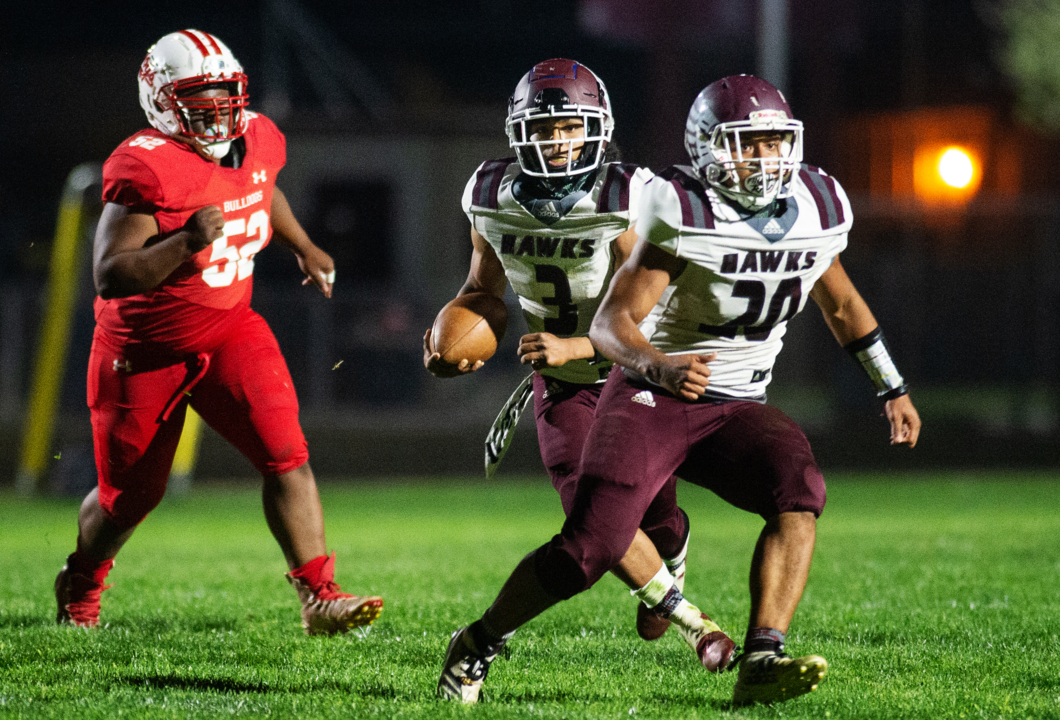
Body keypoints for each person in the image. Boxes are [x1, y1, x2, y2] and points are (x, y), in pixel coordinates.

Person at [436, 74, 922, 706]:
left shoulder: (818, 207)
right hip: (649, 395)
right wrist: (661, 369)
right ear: (708, 150)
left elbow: (843, 303)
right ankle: (477, 642)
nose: (764, 159)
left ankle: (762, 658)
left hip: (735, 403)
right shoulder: (680, 209)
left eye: (774, 143)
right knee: (591, 549)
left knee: (799, 489)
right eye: (747, 145)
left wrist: (892, 386)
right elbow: (612, 321)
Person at [53, 29, 383, 636]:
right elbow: (111, 274)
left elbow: (260, 190)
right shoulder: (143, 164)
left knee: (286, 454)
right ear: (161, 98)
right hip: (143, 353)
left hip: (230, 328)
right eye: (199, 97)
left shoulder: (257, 135)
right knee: (129, 496)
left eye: (223, 94)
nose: (217, 109)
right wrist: (185, 242)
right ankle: (82, 582)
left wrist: (303, 245)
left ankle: (320, 596)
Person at [429, 59, 736, 703]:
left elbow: (641, 308)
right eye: (544, 131)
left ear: (598, 129)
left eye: (571, 128)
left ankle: (670, 562)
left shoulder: (628, 196)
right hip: (566, 387)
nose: (558, 143)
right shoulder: (490, 195)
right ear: (519, 134)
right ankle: (695, 624)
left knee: (662, 520)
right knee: (592, 532)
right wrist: (454, 333)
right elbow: (482, 288)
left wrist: (575, 342)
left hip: (634, 376)